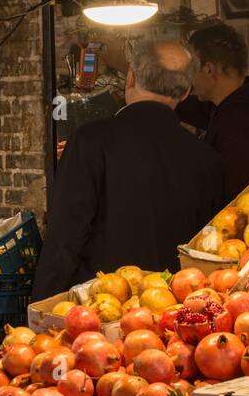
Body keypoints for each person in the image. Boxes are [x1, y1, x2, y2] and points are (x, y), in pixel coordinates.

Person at [33, 39, 226, 297]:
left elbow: (64, 238)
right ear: (185, 92)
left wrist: (40, 309)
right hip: (171, 315)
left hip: (97, 311)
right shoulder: (209, 160)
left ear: (131, 77)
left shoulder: (90, 142)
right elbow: (209, 251)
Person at [177, 22, 249, 200]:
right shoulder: (247, 99)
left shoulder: (240, 126)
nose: (188, 77)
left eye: (191, 69)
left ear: (209, 69)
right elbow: (191, 108)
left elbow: (237, 202)